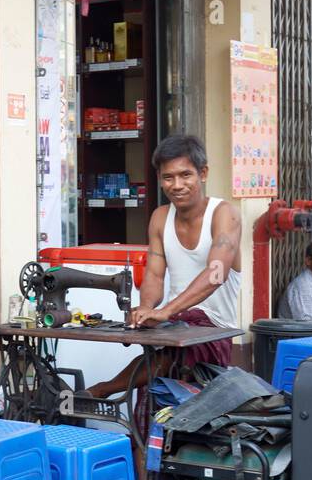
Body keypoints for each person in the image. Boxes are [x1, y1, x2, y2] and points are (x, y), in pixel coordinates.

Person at [87, 134, 242, 404]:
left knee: (168, 358)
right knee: (156, 376)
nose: (177, 185)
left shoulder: (223, 214)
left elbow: (216, 274)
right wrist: (146, 309)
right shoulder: (160, 217)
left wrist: (166, 311)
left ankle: (103, 389)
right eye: (168, 177)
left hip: (214, 331)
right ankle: (140, 439)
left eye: (186, 175)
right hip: (175, 327)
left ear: (203, 174)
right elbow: (154, 275)